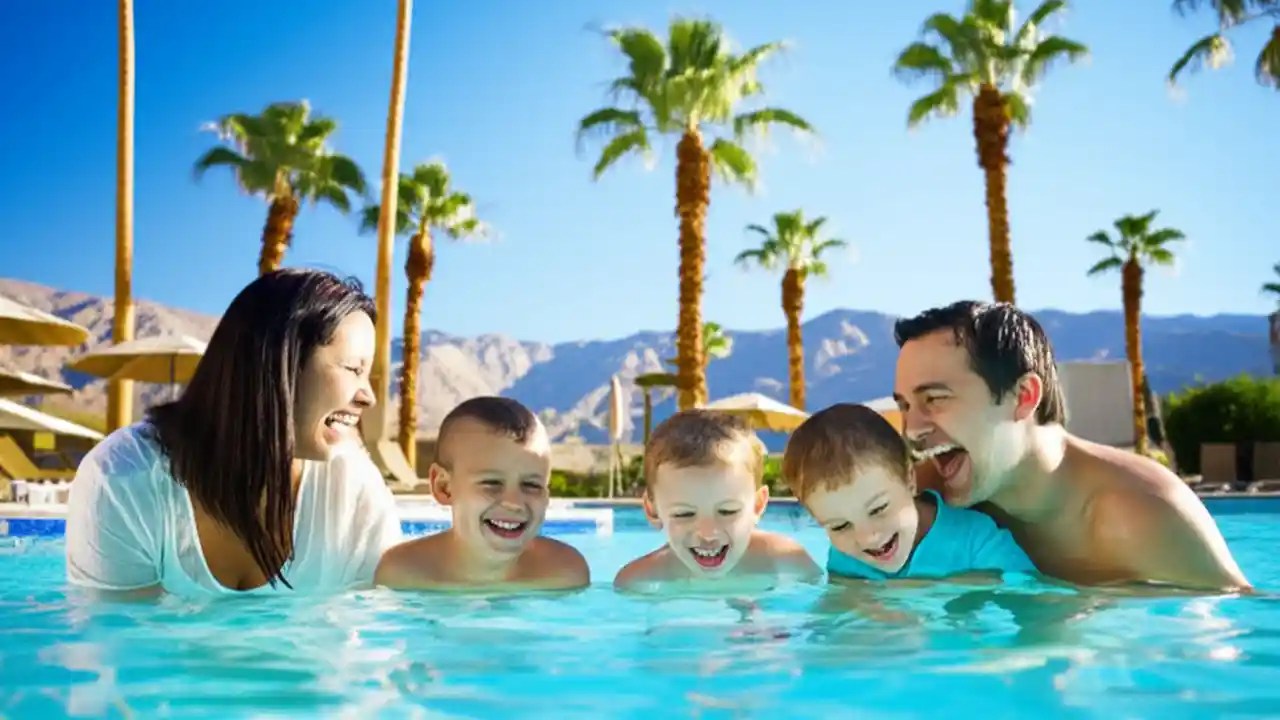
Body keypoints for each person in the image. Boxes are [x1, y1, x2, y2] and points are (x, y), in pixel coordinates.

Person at [65, 269, 404, 598]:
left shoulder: (354, 490)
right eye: (353, 369)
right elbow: (117, 641)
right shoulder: (125, 479)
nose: (367, 397)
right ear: (278, 363)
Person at [894, 300, 1250, 591]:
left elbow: (1228, 630)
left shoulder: (1140, 514)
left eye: (935, 399)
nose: (912, 430)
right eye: (905, 406)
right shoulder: (930, 493)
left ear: (1024, 396)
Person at [782, 403, 1036, 581]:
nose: (868, 538)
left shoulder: (976, 541)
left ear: (909, 479)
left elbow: (1031, 599)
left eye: (878, 509)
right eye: (839, 526)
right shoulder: (845, 560)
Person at [374, 396, 590, 591]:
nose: (514, 503)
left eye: (531, 485)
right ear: (444, 487)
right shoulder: (404, 575)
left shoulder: (563, 574)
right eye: (492, 483)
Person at [614, 409, 820, 592]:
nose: (708, 533)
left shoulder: (787, 563)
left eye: (727, 511)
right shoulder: (639, 583)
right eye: (684, 514)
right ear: (652, 511)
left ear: (758, 505)